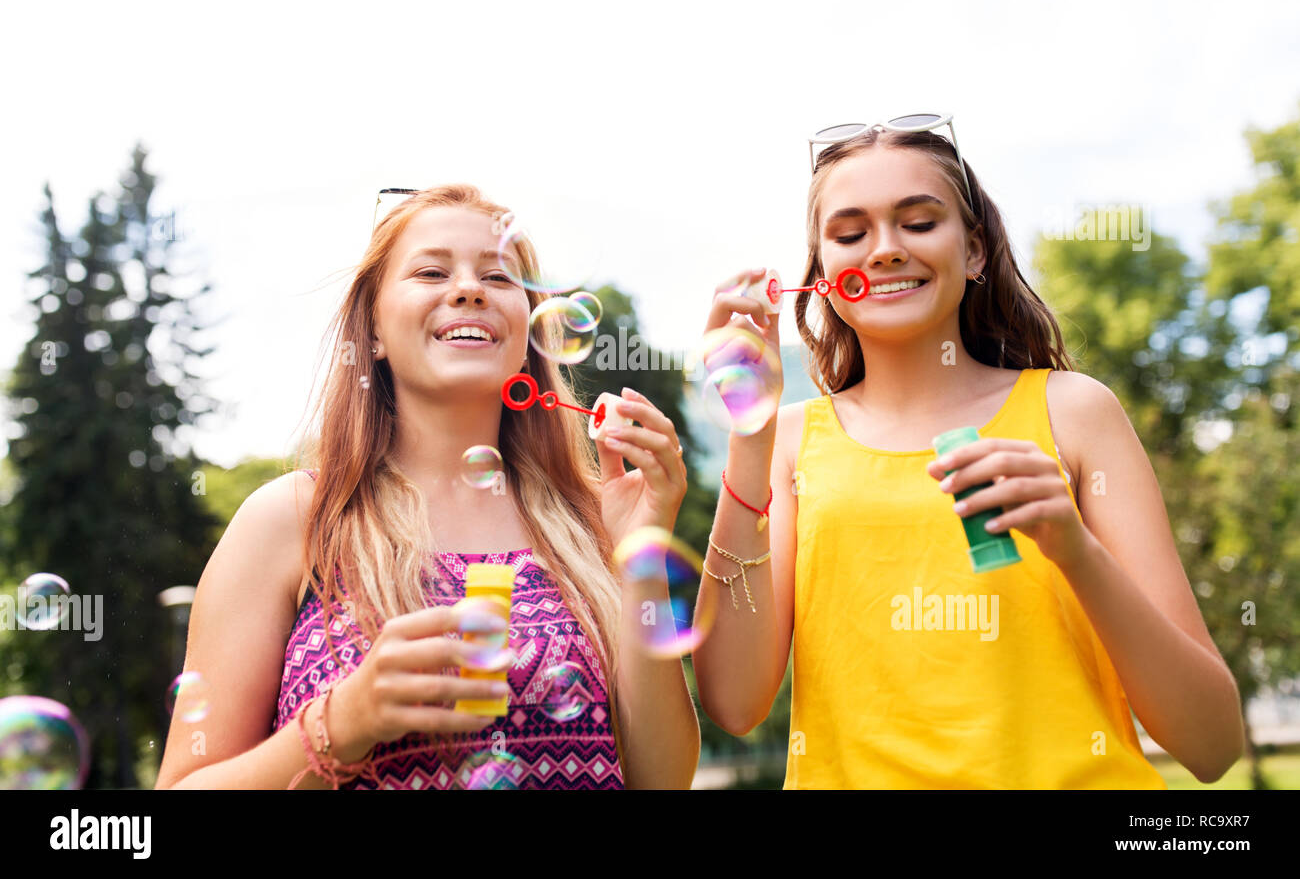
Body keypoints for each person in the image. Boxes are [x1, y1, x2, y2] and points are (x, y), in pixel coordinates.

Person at [690, 120, 1245, 788]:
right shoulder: (783, 443)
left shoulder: (1074, 412)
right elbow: (733, 703)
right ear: (822, 275)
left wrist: (1075, 550)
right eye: (850, 234)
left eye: (919, 223)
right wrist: (748, 433)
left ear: (975, 251)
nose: (886, 249)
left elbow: (1212, 746)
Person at [155, 184, 699, 789]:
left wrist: (641, 558)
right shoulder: (296, 520)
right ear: (375, 332)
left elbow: (663, 781)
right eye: (432, 271)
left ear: (528, 333)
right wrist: (343, 721)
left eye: (498, 277)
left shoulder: (593, 521)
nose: (468, 289)